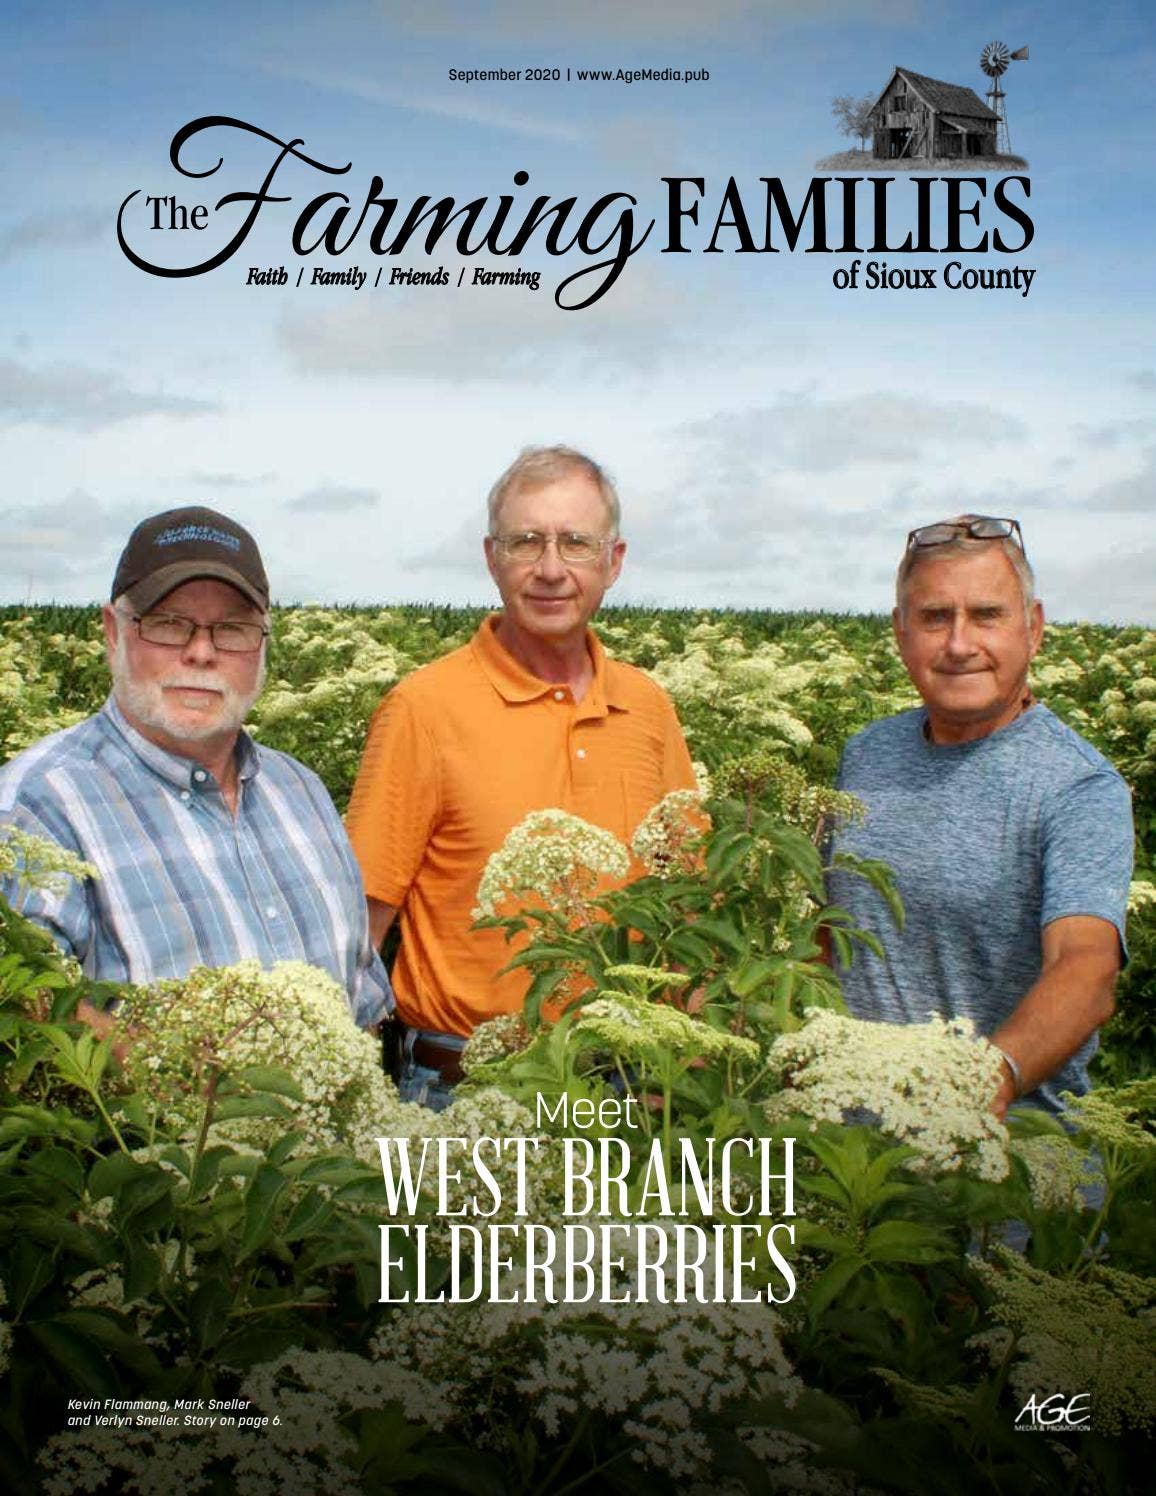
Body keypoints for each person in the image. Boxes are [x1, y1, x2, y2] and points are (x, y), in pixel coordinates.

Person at [346, 445, 696, 1107]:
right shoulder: (422, 708)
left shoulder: (647, 708)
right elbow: (360, 922)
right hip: (466, 1091)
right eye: (526, 542)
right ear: (491, 557)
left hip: (631, 1089)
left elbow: (689, 898)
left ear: (613, 562)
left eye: (576, 542)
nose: (551, 569)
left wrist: (684, 1068)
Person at [0, 506, 390, 1031]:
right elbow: (29, 1025)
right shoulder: (35, 805)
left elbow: (361, 1000)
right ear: (113, 631)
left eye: (232, 629)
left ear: (263, 643)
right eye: (168, 624)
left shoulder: (301, 790)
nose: (202, 653)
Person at [826, 515, 1133, 1119]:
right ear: (900, 633)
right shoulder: (867, 754)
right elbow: (829, 929)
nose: (960, 644)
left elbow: (1086, 967)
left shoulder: (1079, 786)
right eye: (935, 617)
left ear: (1034, 628)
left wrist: (981, 1085)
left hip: (998, 1172)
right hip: (846, 1163)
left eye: (987, 615)